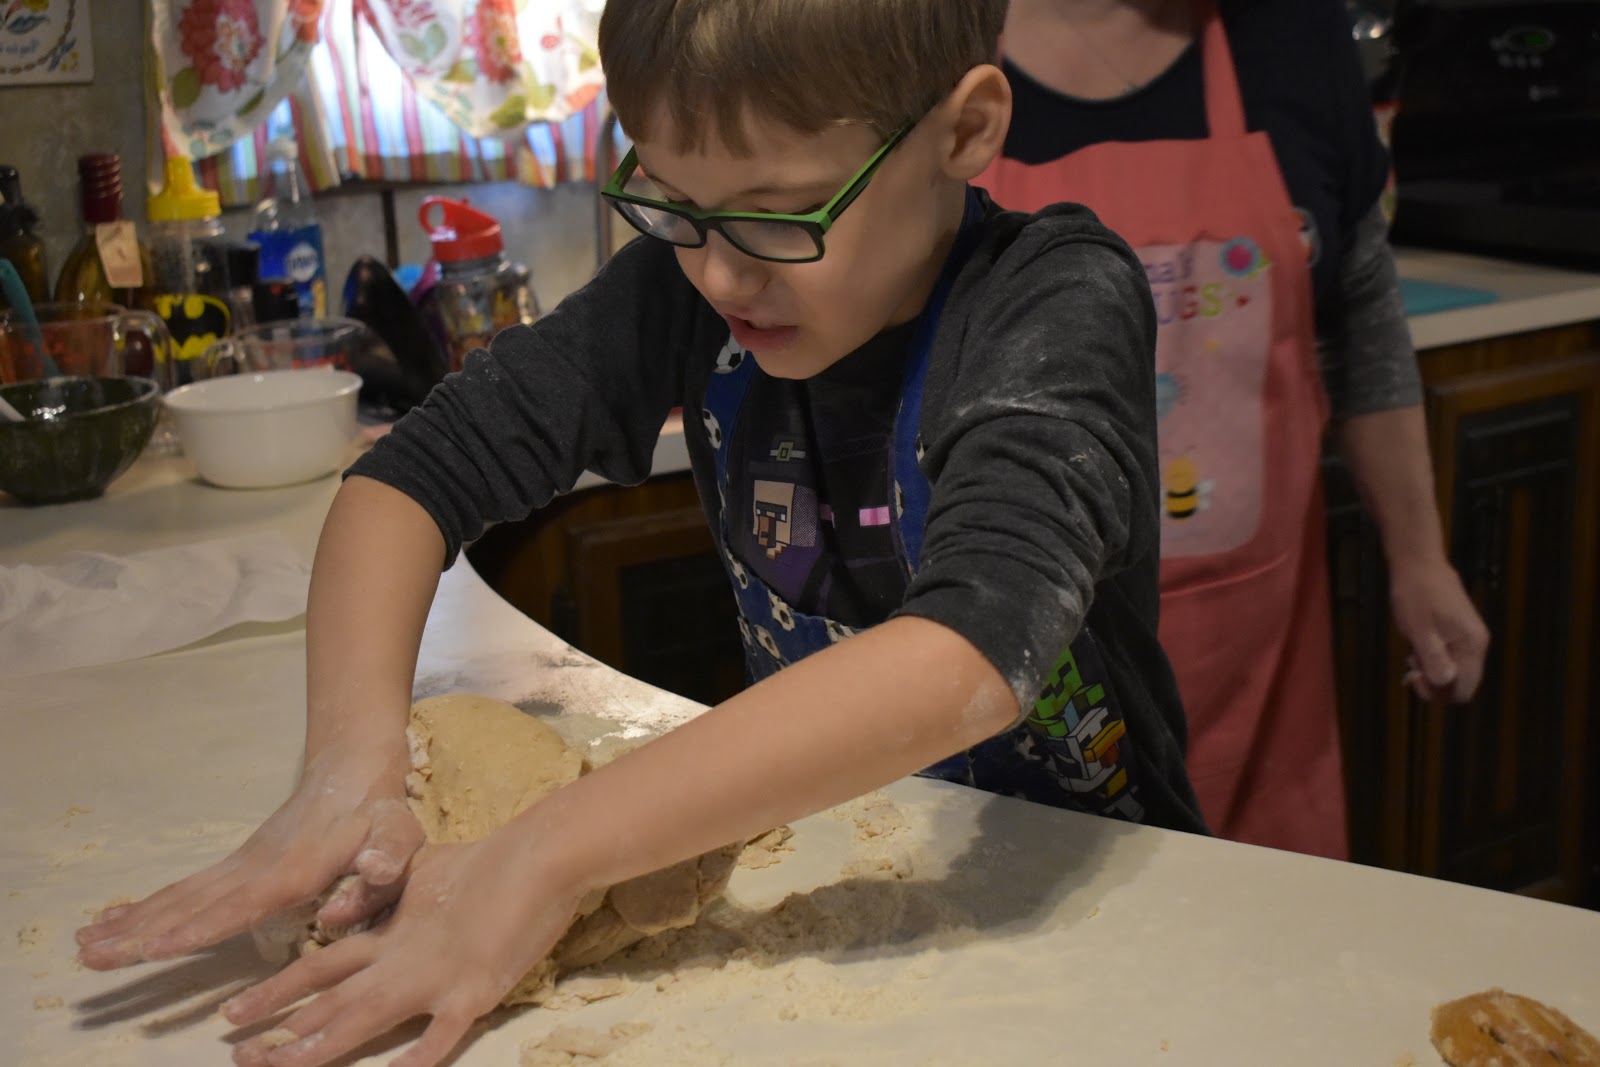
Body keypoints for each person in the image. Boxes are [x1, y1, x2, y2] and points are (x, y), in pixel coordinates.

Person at [74, 2, 1207, 1063]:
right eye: (670, 204)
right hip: (837, 843)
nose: (717, 270)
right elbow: (413, 473)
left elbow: (969, 650)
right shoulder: (686, 290)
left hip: (1081, 897)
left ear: (963, 131)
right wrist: (346, 764)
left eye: (775, 213)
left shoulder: (1051, 302)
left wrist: (544, 850)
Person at [977, 0, 1490, 860]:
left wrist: (1420, 556)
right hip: (1010, 655)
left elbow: (1357, 308)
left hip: (1260, 662)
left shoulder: (1290, 36)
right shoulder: (925, 39)